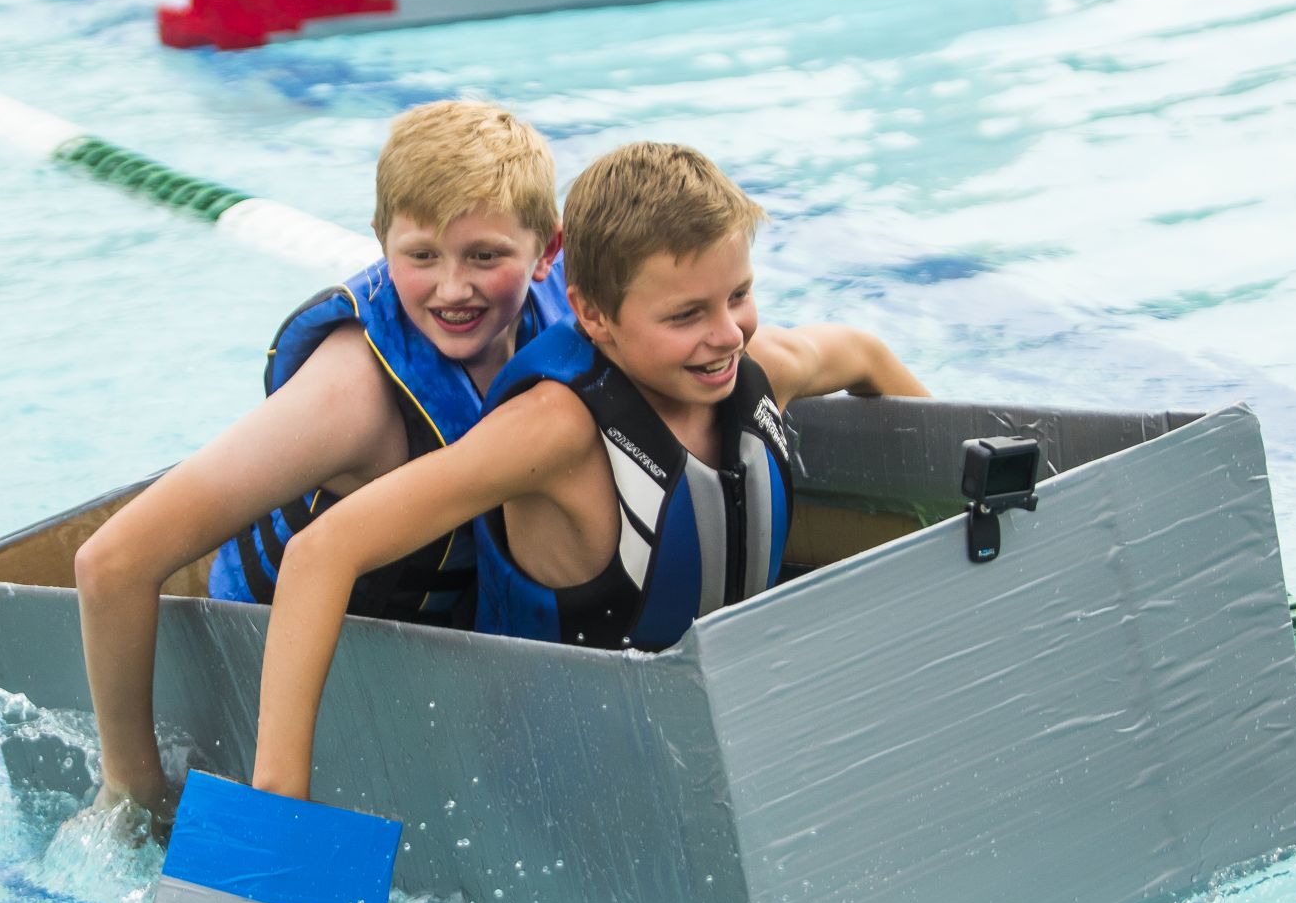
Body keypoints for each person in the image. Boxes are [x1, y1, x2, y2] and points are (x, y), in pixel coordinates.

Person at [248, 142, 930, 799]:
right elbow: (321, 550)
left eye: (738, 295)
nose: (727, 334)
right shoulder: (555, 430)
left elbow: (866, 354)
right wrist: (283, 799)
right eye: (686, 314)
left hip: (714, 733)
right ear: (594, 315)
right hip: (550, 780)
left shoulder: (761, 372)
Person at [75, 102, 569, 823]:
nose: (452, 288)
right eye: (421, 255)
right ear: (379, 240)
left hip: (437, 656)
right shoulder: (349, 398)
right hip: (271, 669)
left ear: (547, 252)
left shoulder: (565, 308)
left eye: (485, 257)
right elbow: (110, 562)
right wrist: (133, 785)